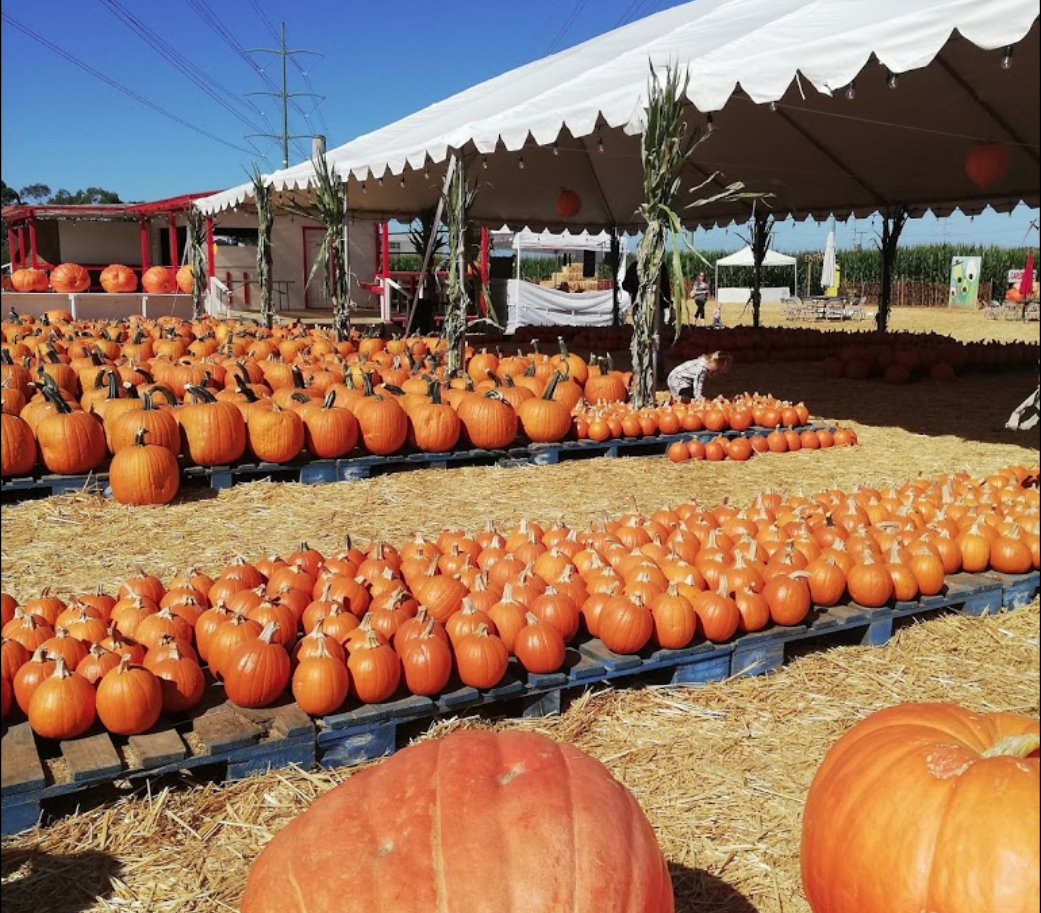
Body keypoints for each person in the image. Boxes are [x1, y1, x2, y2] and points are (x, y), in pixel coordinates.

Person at [666, 350, 732, 402]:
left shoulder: (703, 361)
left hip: (675, 377)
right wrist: (698, 398)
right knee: (688, 396)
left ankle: (675, 400)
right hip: (678, 379)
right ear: (713, 363)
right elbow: (698, 384)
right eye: (717, 370)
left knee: (688, 393)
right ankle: (677, 402)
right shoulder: (702, 368)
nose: (715, 373)